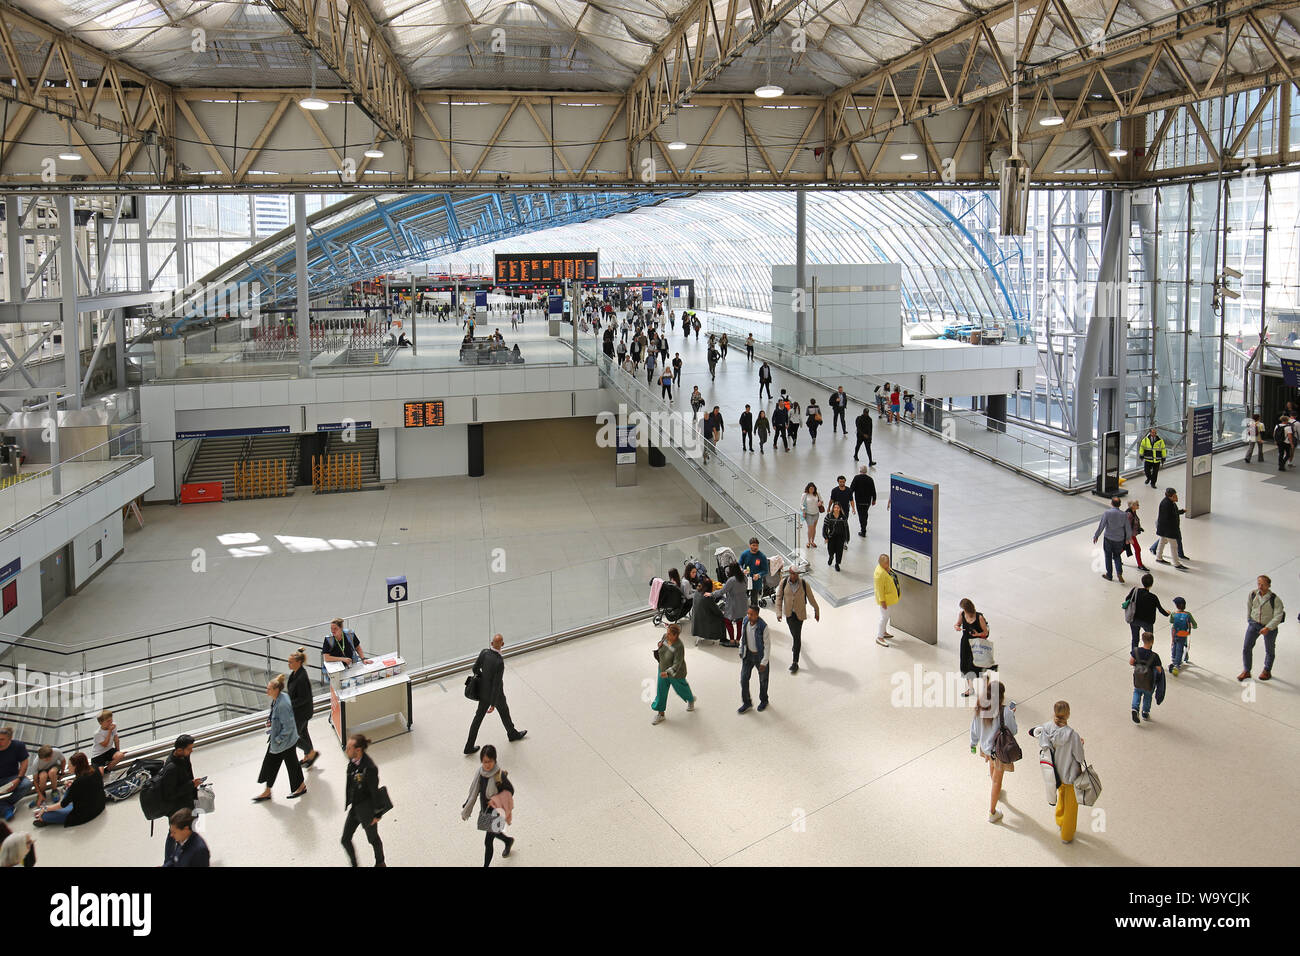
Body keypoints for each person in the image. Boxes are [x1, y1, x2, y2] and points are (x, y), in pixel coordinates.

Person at [1028, 701, 1087, 843]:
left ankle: (1060, 820)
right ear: (1068, 714)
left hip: (1056, 773)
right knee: (1072, 807)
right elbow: (1079, 757)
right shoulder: (1072, 735)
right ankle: (1067, 836)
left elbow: (1043, 745)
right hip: (1070, 775)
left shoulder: (1046, 727)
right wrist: (1081, 743)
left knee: (1061, 795)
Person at [465, 634, 527, 754]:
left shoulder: (484, 653)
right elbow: (496, 684)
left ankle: (469, 746)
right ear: (502, 645)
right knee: (504, 712)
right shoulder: (499, 662)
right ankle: (512, 734)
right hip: (496, 695)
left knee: (477, 719)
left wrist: (483, 679)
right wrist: (493, 703)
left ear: (491, 643)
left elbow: (474, 669)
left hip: (483, 692)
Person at [253, 674, 307, 801]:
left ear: (276, 689)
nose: (267, 691)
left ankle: (301, 786)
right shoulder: (279, 698)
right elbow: (277, 717)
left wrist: (277, 739)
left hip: (284, 742)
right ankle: (267, 790)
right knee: (271, 763)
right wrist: (270, 722)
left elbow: (288, 728)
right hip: (279, 741)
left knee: (291, 765)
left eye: (269, 689)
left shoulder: (282, 704)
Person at [970, 679, 1016, 823]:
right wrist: (1011, 714)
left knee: (991, 766)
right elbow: (1013, 731)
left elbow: (974, 730)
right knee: (998, 781)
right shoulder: (1005, 712)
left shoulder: (979, 708)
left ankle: (995, 788)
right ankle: (992, 812)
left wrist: (973, 744)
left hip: (986, 748)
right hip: (999, 751)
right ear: (1001, 696)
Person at [461, 745, 515, 866]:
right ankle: (508, 840)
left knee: (488, 841)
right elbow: (474, 790)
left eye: (490, 761)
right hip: (485, 809)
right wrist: (467, 803)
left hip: (497, 811)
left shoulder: (499, 776)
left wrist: (497, 799)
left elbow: (510, 790)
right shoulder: (480, 773)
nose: (487, 765)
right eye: (485, 762)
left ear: (494, 760)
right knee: (494, 832)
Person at [342, 733, 386, 867]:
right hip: (355, 807)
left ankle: (380, 862)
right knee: (345, 839)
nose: (346, 750)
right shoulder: (352, 763)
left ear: (358, 750)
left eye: (349, 748)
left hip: (367, 810)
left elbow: (374, 791)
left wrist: (377, 814)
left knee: (373, 839)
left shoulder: (370, 768)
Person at [31, 752, 104, 827]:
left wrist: (45, 808)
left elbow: (63, 804)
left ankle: (44, 819)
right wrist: (73, 783)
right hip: (100, 804)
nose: (68, 768)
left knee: (45, 815)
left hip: (84, 813)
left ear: (76, 767)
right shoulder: (94, 768)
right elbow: (89, 783)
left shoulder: (78, 782)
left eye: (69, 766)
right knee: (69, 789)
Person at [1239, 574, 1284, 681]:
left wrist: (1268, 627)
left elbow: (1278, 615)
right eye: (1259, 584)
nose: (1260, 587)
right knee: (1246, 647)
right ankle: (1246, 670)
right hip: (1254, 624)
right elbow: (1249, 607)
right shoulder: (1253, 594)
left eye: (1263, 585)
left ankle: (1267, 670)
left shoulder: (1275, 599)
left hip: (1269, 628)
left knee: (1269, 649)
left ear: (1268, 585)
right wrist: (1249, 620)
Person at [775, 567, 819, 674]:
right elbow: (778, 597)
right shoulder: (783, 582)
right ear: (789, 573)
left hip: (799, 614)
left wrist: (817, 610)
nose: (795, 576)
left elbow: (811, 598)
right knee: (794, 633)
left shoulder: (804, 584)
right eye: (793, 574)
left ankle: (795, 662)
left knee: (797, 636)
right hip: (789, 614)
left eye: (796, 574)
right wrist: (778, 612)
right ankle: (796, 646)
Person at [651, 623, 697, 725]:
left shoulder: (679, 646)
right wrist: (659, 644)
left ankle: (690, 699)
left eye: (670, 634)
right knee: (661, 692)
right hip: (662, 669)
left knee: (681, 689)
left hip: (676, 674)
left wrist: (668, 673)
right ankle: (661, 714)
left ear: (676, 635)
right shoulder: (665, 637)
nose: (667, 635)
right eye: (667, 633)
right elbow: (661, 644)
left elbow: (677, 663)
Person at [286, 648, 320, 770]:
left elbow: (304, 698)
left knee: (293, 736)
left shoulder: (301, 677)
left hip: (302, 712)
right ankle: (309, 755)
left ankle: (310, 752)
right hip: (299, 712)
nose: (288, 664)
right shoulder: (295, 673)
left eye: (290, 662)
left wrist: (289, 703)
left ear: (298, 662)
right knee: (303, 733)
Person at [157, 734, 201, 820]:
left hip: (188, 802)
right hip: (179, 811)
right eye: (189, 749)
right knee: (178, 831)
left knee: (191, 828)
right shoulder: (171, 768)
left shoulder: (184, 756)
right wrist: (191, 785)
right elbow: (169, 794)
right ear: (180, 750)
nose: (192, 751)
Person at [1123, 572, 1169, 651]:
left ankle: (1134, 655)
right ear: (1151, 584)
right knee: (1149, 640)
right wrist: (1167, 613)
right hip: (1147, 622)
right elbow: (1160, 610)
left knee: (1135, 638)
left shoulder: (1135, 591)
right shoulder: (1153, 597)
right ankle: (1147, 654)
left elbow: (1127, 599)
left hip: (1134, 619)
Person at [737, 605, 771, 714]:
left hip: (759, 657)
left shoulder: (763, 626)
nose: (749, 616)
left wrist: (764, 662)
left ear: (757, 615)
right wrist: (741, 650)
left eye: (752, 614)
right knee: (743, 679)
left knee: (763, 680)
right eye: (748, 613)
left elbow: (767, 645)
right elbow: (743, 637)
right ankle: (747, 702)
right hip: (748, 655)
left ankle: (764, 700)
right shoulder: (746, 621)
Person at [955, 599, 991, 696]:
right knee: (966, 666)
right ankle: (970, 689)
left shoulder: (979, 617)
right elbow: (957, 624)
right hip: (965, 643)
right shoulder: (962, 614)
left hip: (977, 644)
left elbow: (985, 632)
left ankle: (986, 687)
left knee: (978, 666)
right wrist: (957, 627)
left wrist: (977, 634)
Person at [1092, 496, 1129, 582]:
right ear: (1120, 504)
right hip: (1119, 539)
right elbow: (1127, 527)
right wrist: (1128, 538)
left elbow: (1102, 525)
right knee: (1117, 556)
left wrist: (1096, 536)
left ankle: (1109, 575)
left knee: (1108, 556)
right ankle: (1119, 573)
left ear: (1111, 503)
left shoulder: (1107, 513)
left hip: (1108, 538)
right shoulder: (1124, 515)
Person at [1129, 631, 1164, 723]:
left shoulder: (1136, 651)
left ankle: (1135, 709)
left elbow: (1131, 662)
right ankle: (1145, 712)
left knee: (1137, 692)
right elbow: (1159, 670)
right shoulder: (1155, 656)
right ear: (1152, 641)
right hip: (1149, 681)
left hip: (1138, 678)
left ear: (1142, 640)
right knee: (1148, 696)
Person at [690, 574, 729, 646]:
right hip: (705, 622)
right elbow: (717, 612)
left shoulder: (696, 593)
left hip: (696, 622)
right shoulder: (707, 597)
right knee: (723, 618)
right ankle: (723, 640)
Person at [0, 729, 30, 821]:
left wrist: (18, 779)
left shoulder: (18, 746)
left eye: (2, 739)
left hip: (11, 777)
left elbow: (24, 763)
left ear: (10, 739)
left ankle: (5, 804)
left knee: (26, 784)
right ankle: (5, 808)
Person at [1154, 487, 1187, 570]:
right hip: (1168, 529)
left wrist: (1181, 511)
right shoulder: (1167, 504)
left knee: (1162, 541)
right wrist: (1172, 530)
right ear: (1170, 496)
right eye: (1175, 496)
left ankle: (1159, 557)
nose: (1177, 497)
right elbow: (1169, 518)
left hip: (1164, 529)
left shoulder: (1169, 502)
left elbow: (1174, 513)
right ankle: (1176, 563)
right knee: (1174, 545)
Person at [873, 554, 901, 647]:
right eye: (886, 563)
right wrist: (882, 601)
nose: (888, 564)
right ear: (881, 563)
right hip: (885, 600)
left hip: (889, 598)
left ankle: (884, 632)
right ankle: (879, 637)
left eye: (888, 562)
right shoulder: (880, 574)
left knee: (886, 616)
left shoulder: (884, 569)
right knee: (884, 617)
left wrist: (888, 569)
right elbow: (880, 589)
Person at [88, 709, 126, 776]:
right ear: (101, 723)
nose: (110, 722)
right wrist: (109, 731)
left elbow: (116, 739)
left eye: (111, 720)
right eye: (108, 721)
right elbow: (105, 744)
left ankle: (107, 770)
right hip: (98, 755)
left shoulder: (113, 725)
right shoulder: (97, 733)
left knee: (120, 755)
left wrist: (117, 751)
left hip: (108, 750)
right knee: (100, 773)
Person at [29, 745, 65, 810]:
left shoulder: (57, 751)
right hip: (42, 771)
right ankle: (42, 794)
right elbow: (35, 780)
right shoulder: (36, 763)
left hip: (54, 766)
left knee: (52, 772)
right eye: (44, 760)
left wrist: (62, 772)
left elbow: (63, 761)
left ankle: (54, 790)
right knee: (43, 776)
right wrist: (39, 794)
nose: (46, 761)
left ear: (51, 754)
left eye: (47, 759)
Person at [720, 564, 748, 646]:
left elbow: (722, 591)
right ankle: (738, 640)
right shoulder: (744, 578)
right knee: (739, 622)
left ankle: (732, 640)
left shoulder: (731, 580)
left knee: (727, 621)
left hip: (733, 604)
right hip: (743, 603)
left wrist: (711, 594)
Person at [1169, 596, 1197, 676]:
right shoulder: (1188, 614)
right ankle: (1177, 665)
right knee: (1180, 648)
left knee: (1174, 644)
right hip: (1183, 633)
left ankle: (1173, 658)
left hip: (1174, 632)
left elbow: (1171, 621)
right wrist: (1193, 626)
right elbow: (1194, 625)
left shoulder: (1174, 614)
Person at [737, 538, 769, 606]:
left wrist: (759, 575)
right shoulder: (745, 554)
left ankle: (754, 614)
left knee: (754, 602)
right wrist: (742, 570)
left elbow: (765, 571)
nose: (755, 547)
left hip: (756, 582)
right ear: (750, 545)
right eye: (753, 545)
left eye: (757, 545)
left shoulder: (762, 557)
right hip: (746, 580)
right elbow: (739, 564)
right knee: (742, 600)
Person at [848, 465, 876, 537]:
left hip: (859, 501)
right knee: (865, 513)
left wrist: (849, 498)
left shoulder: (856, 478)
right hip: (867, 501)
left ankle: (863, 530)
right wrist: (874, 500)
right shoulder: (870, 479)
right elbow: (873, 490)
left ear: (860, 471)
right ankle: (864, 526)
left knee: (861, 515)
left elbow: (851, 489)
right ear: (866, 471)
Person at [822, 501, 850, 572]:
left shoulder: (843, 518)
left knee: (839, 551)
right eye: (835, 507)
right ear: (833, 508)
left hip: (840, 537)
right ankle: (831, 557)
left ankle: (837, 564)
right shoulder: (829, 516)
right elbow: (824, 527)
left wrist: (847, 538)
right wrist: (825, 537)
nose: (836, 509)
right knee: (830, 549)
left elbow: (846, 528)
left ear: (840, 509)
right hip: (831, 537)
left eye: (838, 508)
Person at [800, 482, 824, 550]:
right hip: (808, 514)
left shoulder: (817, 494)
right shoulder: (805, 495)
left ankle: (812, 541)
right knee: (810, 528)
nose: (812, 490)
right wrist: (803, 510)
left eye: (813, 488)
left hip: (816, 513)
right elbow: (801, 504)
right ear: (808, 488)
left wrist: (820, 503)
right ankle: (808, 541)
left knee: (814, 528)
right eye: (810, 488)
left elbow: (821, 500)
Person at [1125, 500, 1147, 571]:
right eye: (1137, 504)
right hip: (1130, 535)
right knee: (1138, 549)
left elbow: (1135, 522)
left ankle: (1116, 555)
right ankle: (1140, 565)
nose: (1138, 505)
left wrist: (1139, 528)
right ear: (1133, 506)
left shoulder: (1133, 512)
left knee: (1124, 547)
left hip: (1131, 534)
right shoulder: (1129, 514)